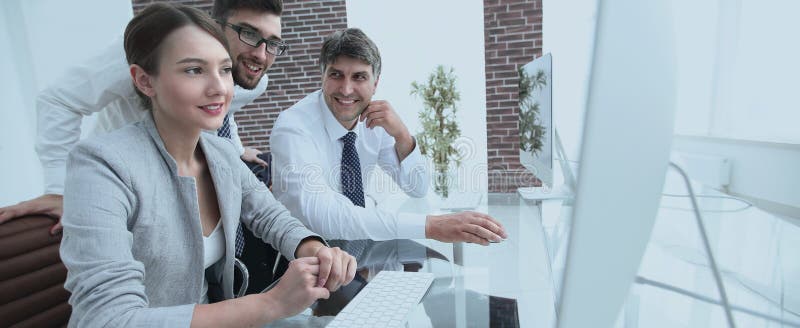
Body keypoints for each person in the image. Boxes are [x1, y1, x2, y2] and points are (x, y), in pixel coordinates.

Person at [60, 4, 356, 327]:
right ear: (145, 81)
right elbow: (109, 320)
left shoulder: (220, 152)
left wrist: (310, 247)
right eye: (194, 70)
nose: (219, 88)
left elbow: (269, 215)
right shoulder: (101, 165)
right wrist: (270, 304)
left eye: (225, 70)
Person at [0, 0, 283, 235]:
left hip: (179, 183)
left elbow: (224, 112)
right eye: (248, 33)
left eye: (272, 43)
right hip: (121, 185)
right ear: (214, 26)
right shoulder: (153, 49)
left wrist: (235, 149)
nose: (260, 53)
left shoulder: (255, 81)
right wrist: (61, 190)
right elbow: (59, 100)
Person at [270, 28, 508, 245]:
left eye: (359, 77)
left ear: (375, 83)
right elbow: (322, 216)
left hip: (359, 249)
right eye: (336, 75)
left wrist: (402, 135)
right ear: (322, 76)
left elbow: (417, 187)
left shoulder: (375, 121)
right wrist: (431, 226)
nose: (346, 89)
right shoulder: (293, 128)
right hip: (304, 258)